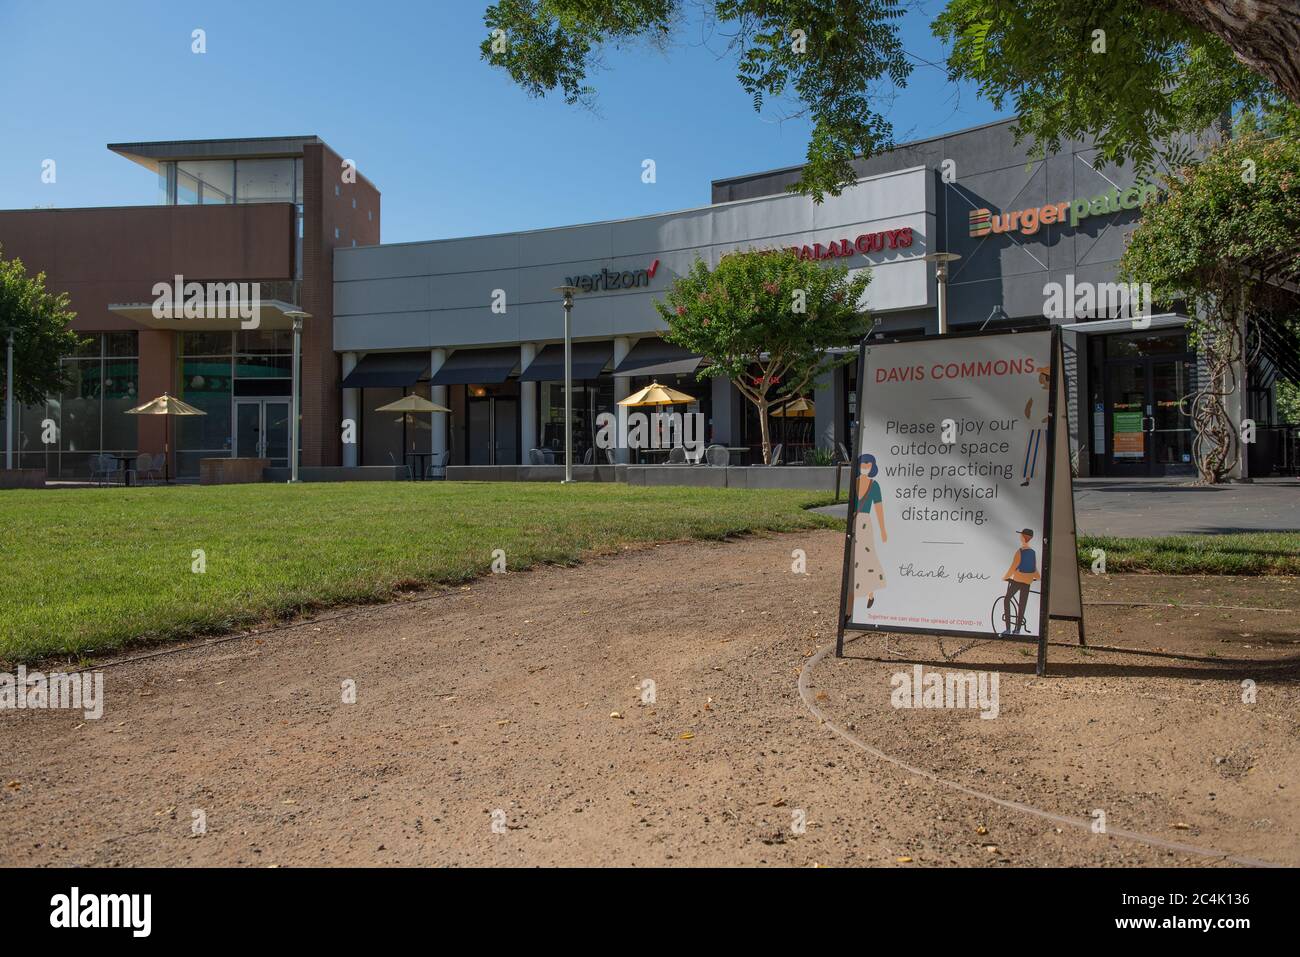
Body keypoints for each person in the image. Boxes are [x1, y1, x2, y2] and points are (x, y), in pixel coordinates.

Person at [852, 452, 888, 617]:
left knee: (868, 557)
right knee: (855, 558)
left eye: (868, 465)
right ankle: (856, 593)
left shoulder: (875, 486)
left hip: (866, 523)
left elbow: (879, 509)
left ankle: (871, 593)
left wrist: (883, 530)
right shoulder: (855, 483)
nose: (865, 467)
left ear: (872, 467)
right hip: (854, 521)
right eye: (863, 464)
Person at [1000, 528, 1040, 635]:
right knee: (1022, 605)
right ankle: (1017, 630)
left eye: (1021, 535)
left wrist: (1005, 577)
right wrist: (1038, 577)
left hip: (1018, 579)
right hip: (1028, 581)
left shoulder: (1020, 552)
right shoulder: (1032, 552)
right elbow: (1034, 567)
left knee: (1007, 599)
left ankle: (1008, 629)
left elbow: (1013, 567)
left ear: (1024, 537)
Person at [1020, 368, 1050, 486]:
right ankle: (1027, 479)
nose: (1039, 377)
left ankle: (1049, 478)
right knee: (1031, 452)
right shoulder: (1036, 392)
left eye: (1041, 375)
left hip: (1046, 425)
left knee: (1048, 452)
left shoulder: (1052, 393)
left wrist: (1048, 418)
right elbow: (1028, 405)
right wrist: (1028, 414)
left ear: (1046, 377)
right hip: (1035, 424)